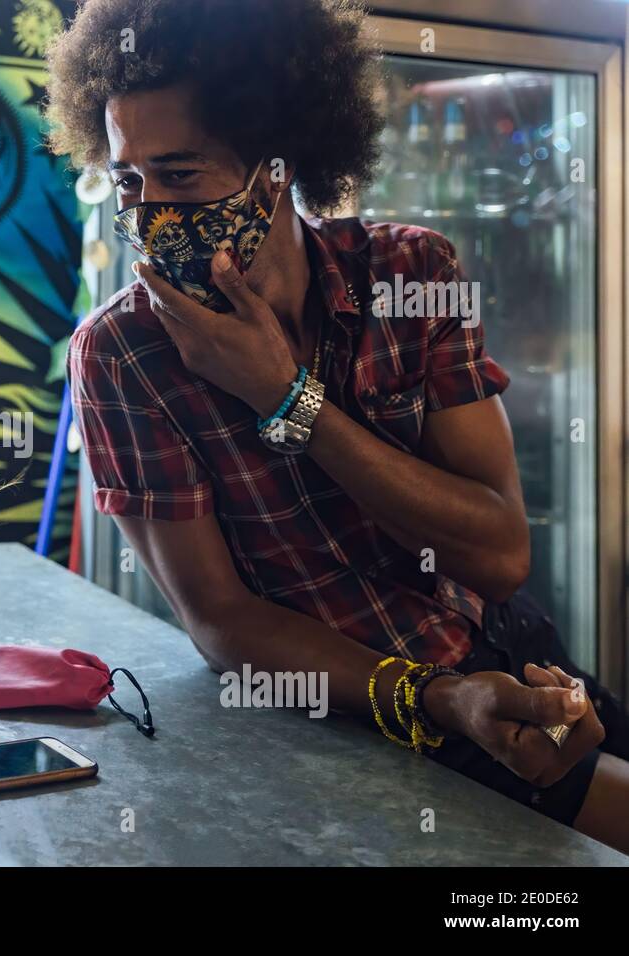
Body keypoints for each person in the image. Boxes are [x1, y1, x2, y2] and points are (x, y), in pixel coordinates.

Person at [48, 0, 629, 854]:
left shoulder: (411, 272)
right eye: (131, 181)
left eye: (181, 175)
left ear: (276, 170)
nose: (149, 213)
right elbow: (221, 622)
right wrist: (430, 697)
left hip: (514, 653)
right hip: (355, 710)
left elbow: (500, 555)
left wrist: (287, 397)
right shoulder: (122, 355)